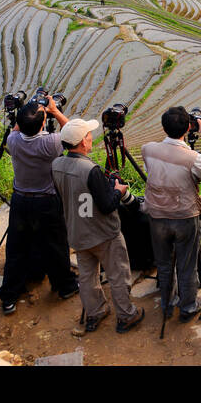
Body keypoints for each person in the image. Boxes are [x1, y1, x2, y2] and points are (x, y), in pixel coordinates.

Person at [52, 117, 144, 336]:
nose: (91, 137)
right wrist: (118, 191)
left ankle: (95, 313)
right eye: (88, 135)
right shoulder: (90, 170)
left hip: (77, 232)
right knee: (118, 275)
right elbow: (106, 205)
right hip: (104, 234)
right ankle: (126, 315)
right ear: (83, 142)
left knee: (87, 276)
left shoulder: (56, 165)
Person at [0, 94, 79, 316]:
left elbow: (19, 128)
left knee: (16, 249)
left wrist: (29, 111)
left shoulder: (13, 141)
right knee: (55, 245)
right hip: (46, 202)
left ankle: (8, 297)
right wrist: (53, 110)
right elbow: (73, 133)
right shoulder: (51, 143)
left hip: (20, 201)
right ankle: (65, 286)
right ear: (43, 123)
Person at [143, 106, 201, 321]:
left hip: (157, 216)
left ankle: (166, 304)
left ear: (163, 127)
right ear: (188, 128)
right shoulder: (192, 158)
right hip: (185, 217)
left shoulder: (148, 149)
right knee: (187, 264)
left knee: (164, 264)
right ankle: (188, 306)